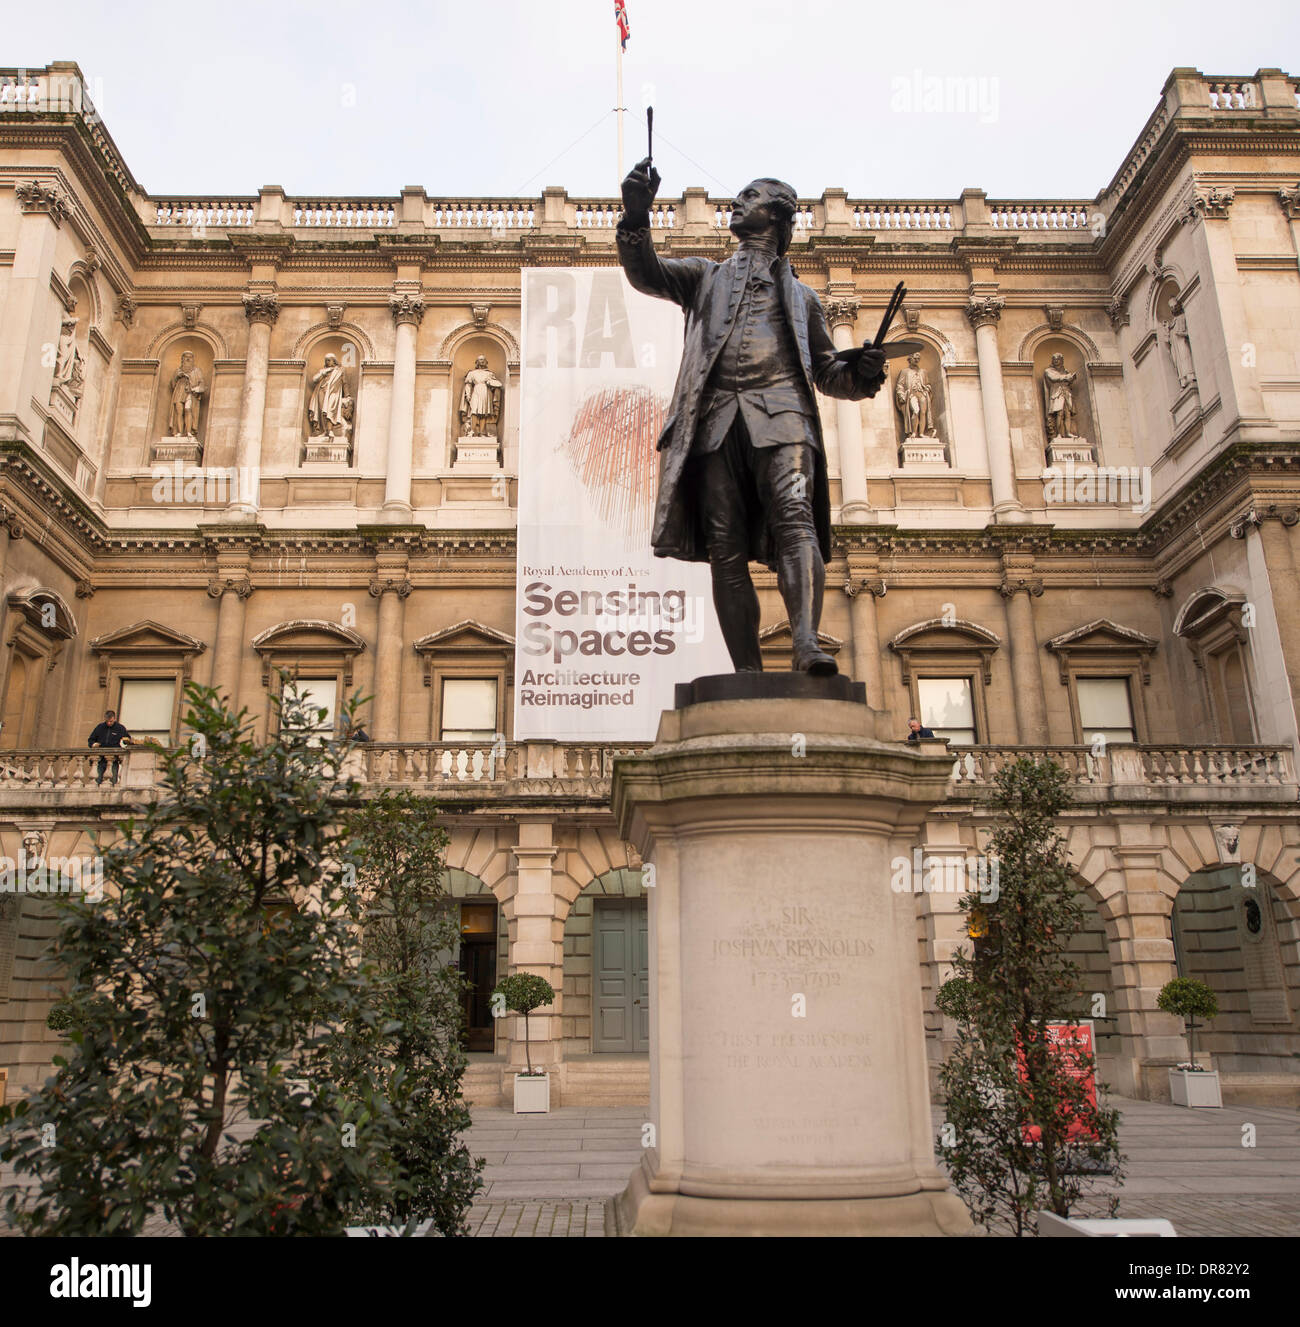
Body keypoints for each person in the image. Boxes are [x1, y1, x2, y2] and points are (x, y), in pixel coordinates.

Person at [616, 162, 887, 675]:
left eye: (748, 196)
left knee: (795, 516)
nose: (735, 203)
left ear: (777, 214)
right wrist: (635, 214)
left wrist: (865, 371)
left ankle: (806, 642)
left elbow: (829, 372)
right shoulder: (704, 277)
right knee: (726, 546)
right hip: (715, 422)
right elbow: (646, 272)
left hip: (783, 414)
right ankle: (748, 672)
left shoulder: (803, 296)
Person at [88, 708, 130, 784]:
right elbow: (91, 740)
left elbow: (128, 739)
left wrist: (126, 740)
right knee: (97, 780)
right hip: (100, 759)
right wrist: (94, 744)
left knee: (112, 781)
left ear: (114, 719)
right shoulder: (100, 727)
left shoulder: (120, 728)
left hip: (113, 759)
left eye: (111, 721)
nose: (109, 723)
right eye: (107, 721)